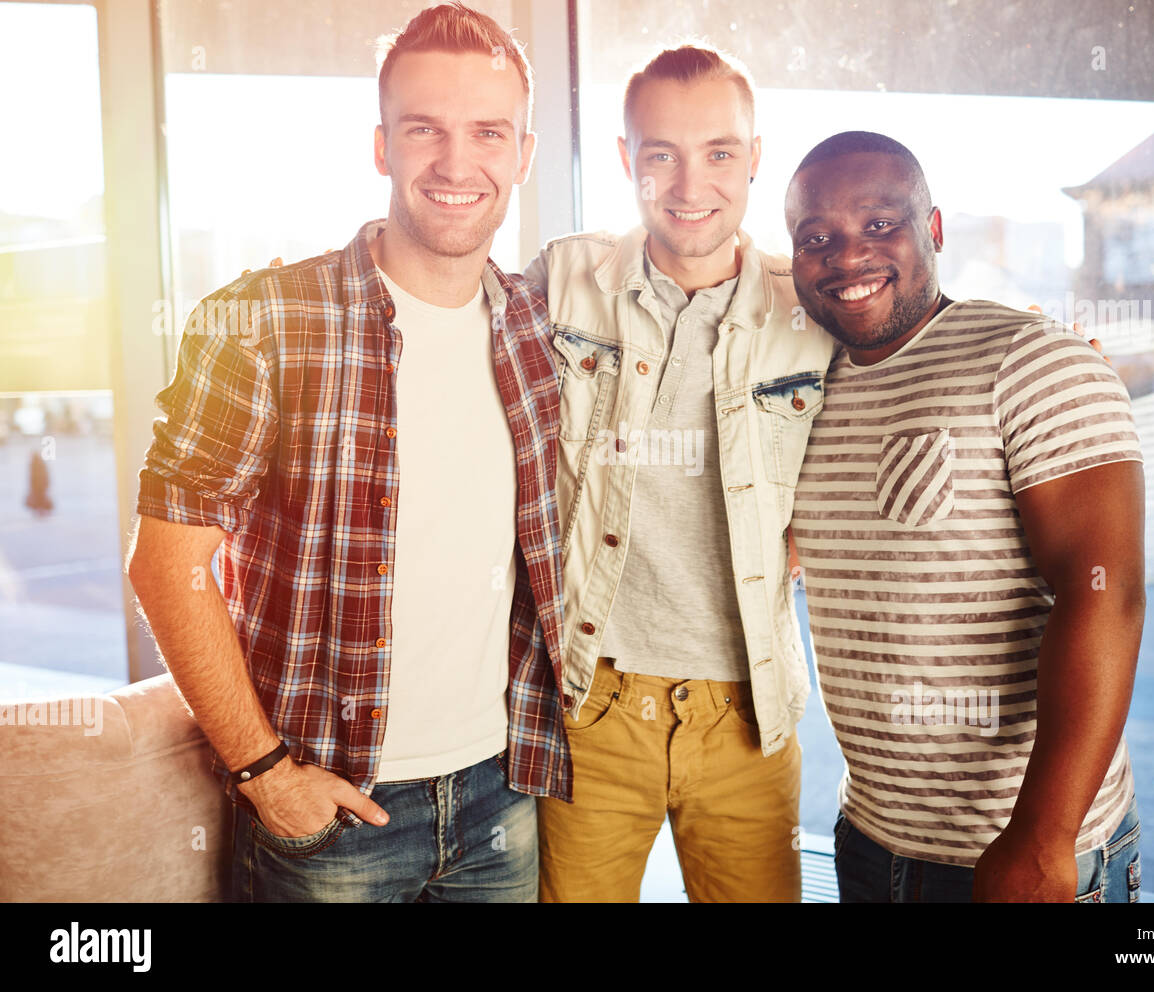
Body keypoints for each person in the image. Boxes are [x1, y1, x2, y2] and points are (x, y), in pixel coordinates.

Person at [125, 2, 568, 903]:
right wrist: (265, 776)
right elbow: (167, 565)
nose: (456, 162)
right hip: (326, 813)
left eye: (488, 132)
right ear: (381, 146)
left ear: (523, 154)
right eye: (423, 130)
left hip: (501, 797)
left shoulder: (540, 326)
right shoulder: (264, 321)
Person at [785, 131, 1147, 902]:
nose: (848, 257)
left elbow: (1106, 595)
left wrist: (1041, 839)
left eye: (880, 224)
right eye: (816, 238)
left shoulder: (1031, 360)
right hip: (869, 838)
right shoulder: (803, 390)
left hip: (1026, 850)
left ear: (935, 230)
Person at [524, 44, 837, 902]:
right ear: (627, 160)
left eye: (719, 153)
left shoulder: (810, 310)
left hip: (747, 713)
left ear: (755, 159)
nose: (690, 184)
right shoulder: (562, 283)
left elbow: (910, 381)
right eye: (661, 154)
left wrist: (1037, 339)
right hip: (591, 703)